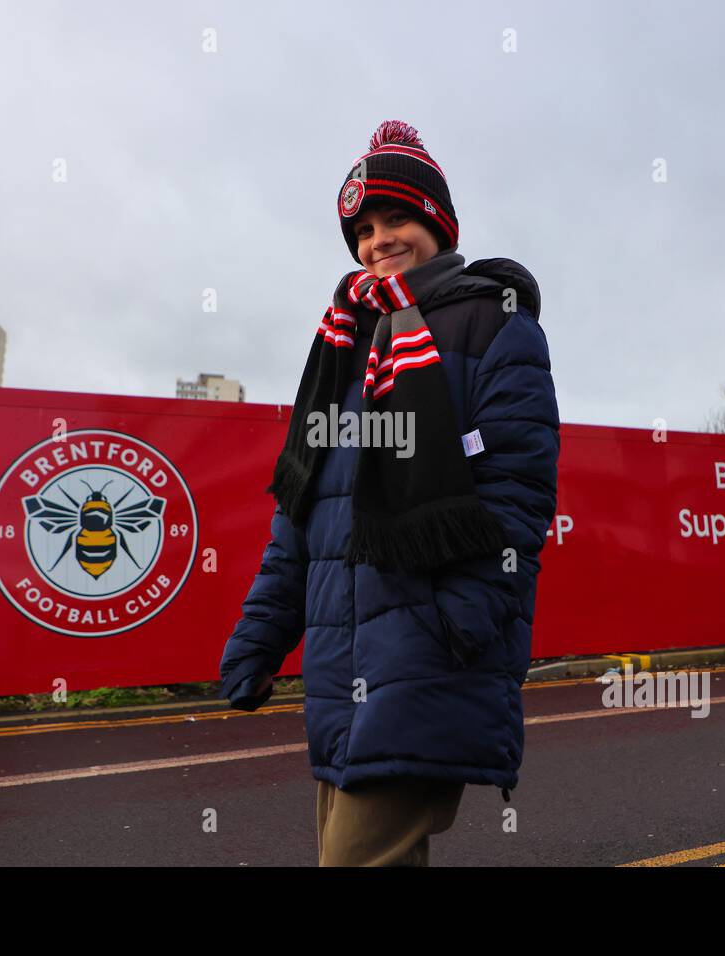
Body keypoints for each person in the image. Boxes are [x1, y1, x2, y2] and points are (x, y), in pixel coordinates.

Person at [218, 119, 560, 866]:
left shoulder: (492, 325)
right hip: (341, 674)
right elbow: (303, 519)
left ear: (436, 223)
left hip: (428, 660)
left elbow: (517, 499)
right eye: (364, 229)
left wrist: (458, 621)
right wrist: (260, 638)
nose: (380, 241)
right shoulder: (343, 344)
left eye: (398, 218)